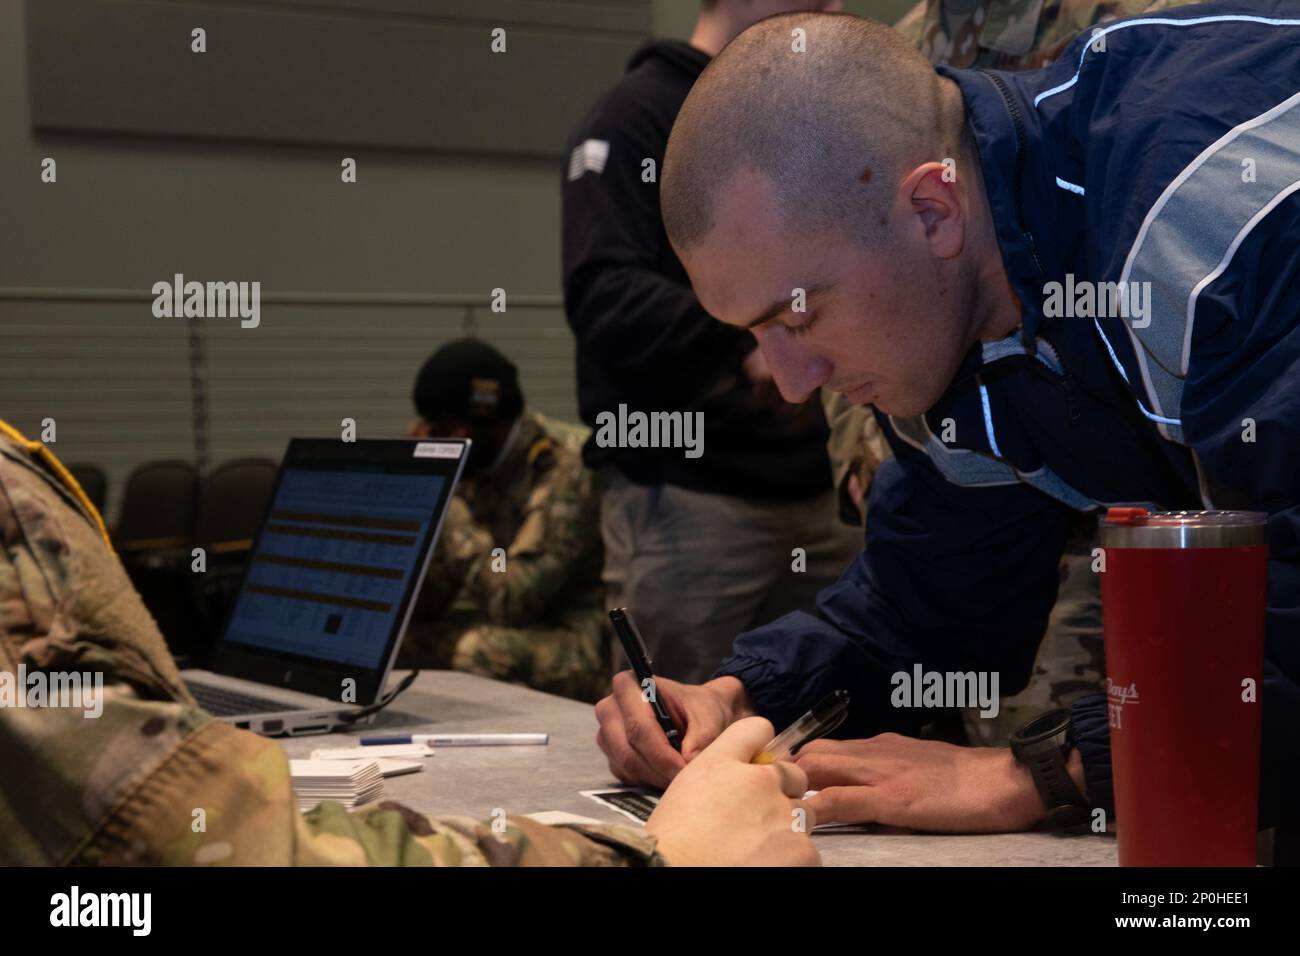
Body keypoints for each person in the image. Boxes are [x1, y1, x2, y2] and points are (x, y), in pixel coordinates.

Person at [594, 7, 1300, 834]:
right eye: (755, 334)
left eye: (798, 317)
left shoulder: (1216, 222)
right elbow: (933, 603)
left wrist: (1036, 775)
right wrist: (744, 697)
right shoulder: (956, 308)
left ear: (933, 210)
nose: (792, 384)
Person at [0, 418, 818, 866]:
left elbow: (513, 588)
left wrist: (444, 497)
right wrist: (652, 858)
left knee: (459, 650)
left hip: (564, 646)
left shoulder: (557, 465)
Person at [561, 0, 861, 683]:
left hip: (819, 492)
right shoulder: (634, 119)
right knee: (678, 732)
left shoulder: (801, 112)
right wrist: (745, 338)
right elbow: (604, 295)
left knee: (829, 719)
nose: (837, 8)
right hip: (692, 499)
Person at [396, 339, 609, 703]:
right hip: (505, 625)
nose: (431, 439)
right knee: (392, 643)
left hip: (580, 640)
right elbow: (430, 600)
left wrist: (444, 501)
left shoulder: (565, 466)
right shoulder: (477, 461)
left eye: (442, 429)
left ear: (481, 424)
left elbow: (514, 601)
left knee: (478, 651)